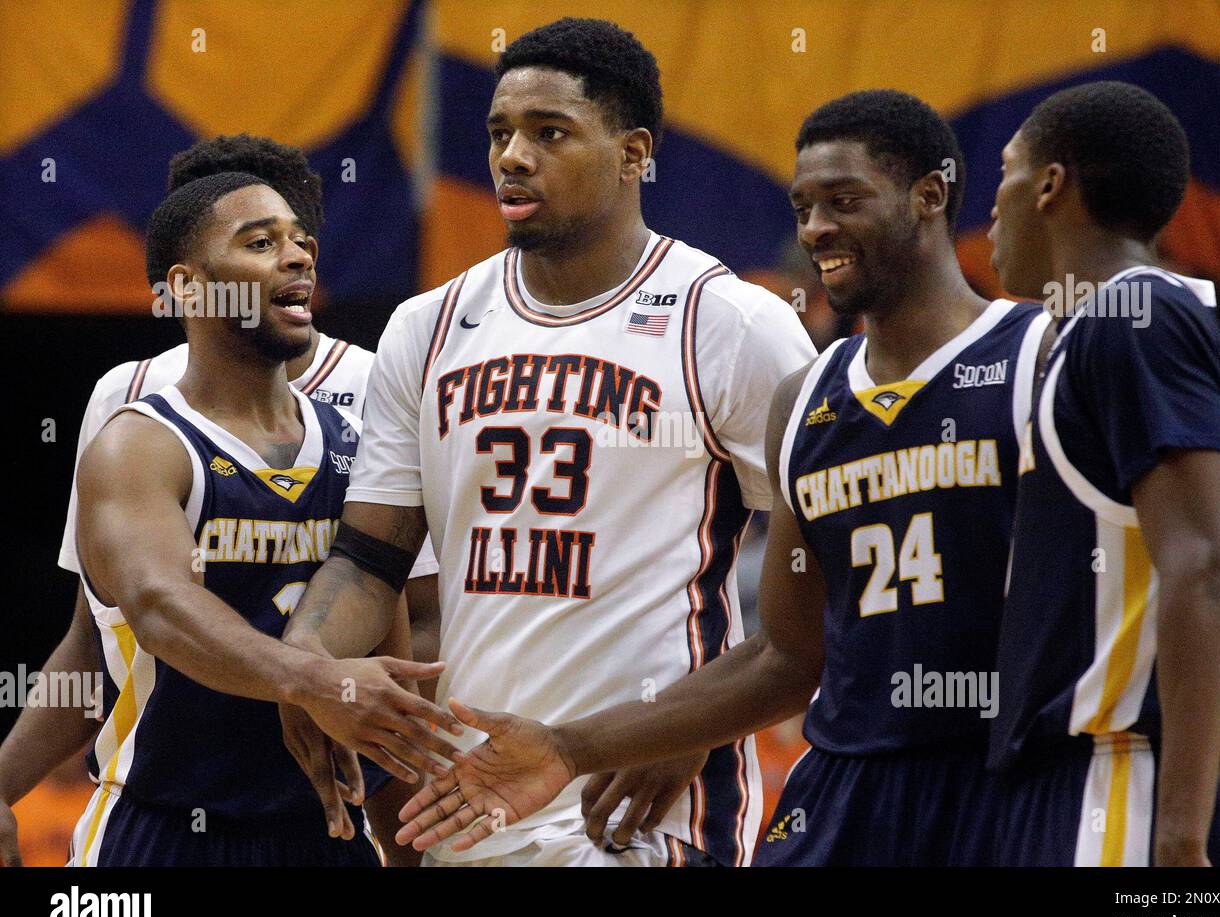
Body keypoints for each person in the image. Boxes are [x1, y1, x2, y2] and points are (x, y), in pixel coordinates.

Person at [386, 89, 1051, 866]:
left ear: (929, 196)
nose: (817, 228)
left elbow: (1193, 568)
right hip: (850, 782)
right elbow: (786, 656)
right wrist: (626, 736)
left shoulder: (1043, 357)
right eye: (803, 206)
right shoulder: (809, 401)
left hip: (1010, 772)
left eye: (843, 200)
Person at [276, 17, 815, 867]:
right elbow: (370, 558)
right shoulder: (428, 326)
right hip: (473, 795)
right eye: (499, 133)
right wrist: (305, 666)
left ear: (635, 152)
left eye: (548, 132)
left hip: (636, 799)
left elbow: (824, 572)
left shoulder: (731, 323)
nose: (512, 156)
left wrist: (701, 721)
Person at [0, 135, 440, 866]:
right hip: (161, 821)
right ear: (187, 281)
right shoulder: (131, 410)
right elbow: (108, 624)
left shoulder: (371, 404)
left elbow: (406, 630)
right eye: (259, 240)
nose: (294, 256)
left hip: (324, 822)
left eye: (297, 238)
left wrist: (389, 798)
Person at [985, 80, 1220, 865]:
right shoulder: (1101, 329)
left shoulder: (1134, 318)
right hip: (1096, 790)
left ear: (1050, 185)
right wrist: (1213, 789)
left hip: (1116, 791)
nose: (991, 209)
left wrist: (1181, 829)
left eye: (1004, 173)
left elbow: (1207, 572)